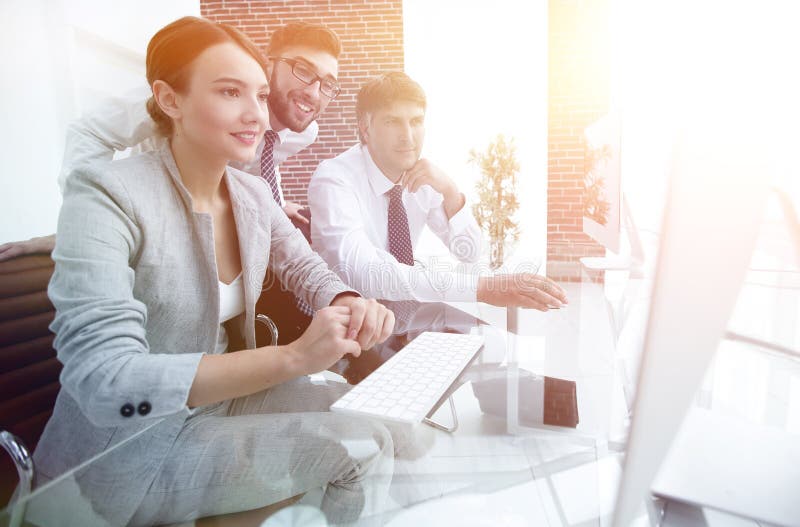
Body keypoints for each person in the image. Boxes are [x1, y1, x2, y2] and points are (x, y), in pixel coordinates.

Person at [32, 17, 396, 526]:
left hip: (219, 403)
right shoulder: (108, 193)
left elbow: (303, 264)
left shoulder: (251, 192)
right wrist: (292, 357)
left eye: (261, 96)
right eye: (229, 92)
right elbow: (106, 380)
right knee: (355, 448)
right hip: (129, 447)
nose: (257, 115)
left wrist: (345, 300)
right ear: (169, 99)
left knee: (361, 412)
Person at [0, 21, 339, 262]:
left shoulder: (304, 132)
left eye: (327, 83)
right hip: (161, 222)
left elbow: (266, 158)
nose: (313, 92)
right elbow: (91, 132)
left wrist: (277, 205)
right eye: (303, 70)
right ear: (268, 63)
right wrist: (88, 220)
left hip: (217, 230)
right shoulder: (189, 99)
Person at [308, 72, 569, 309]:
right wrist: (484, 288)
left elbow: (469, 253)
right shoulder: (334, 180)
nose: (408, 136)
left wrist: (451, 192)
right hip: (342, 327)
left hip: (400, 317)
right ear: (365, 128)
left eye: (416, 121)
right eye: (392, 122)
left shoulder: (421, 177)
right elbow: (364, 273)